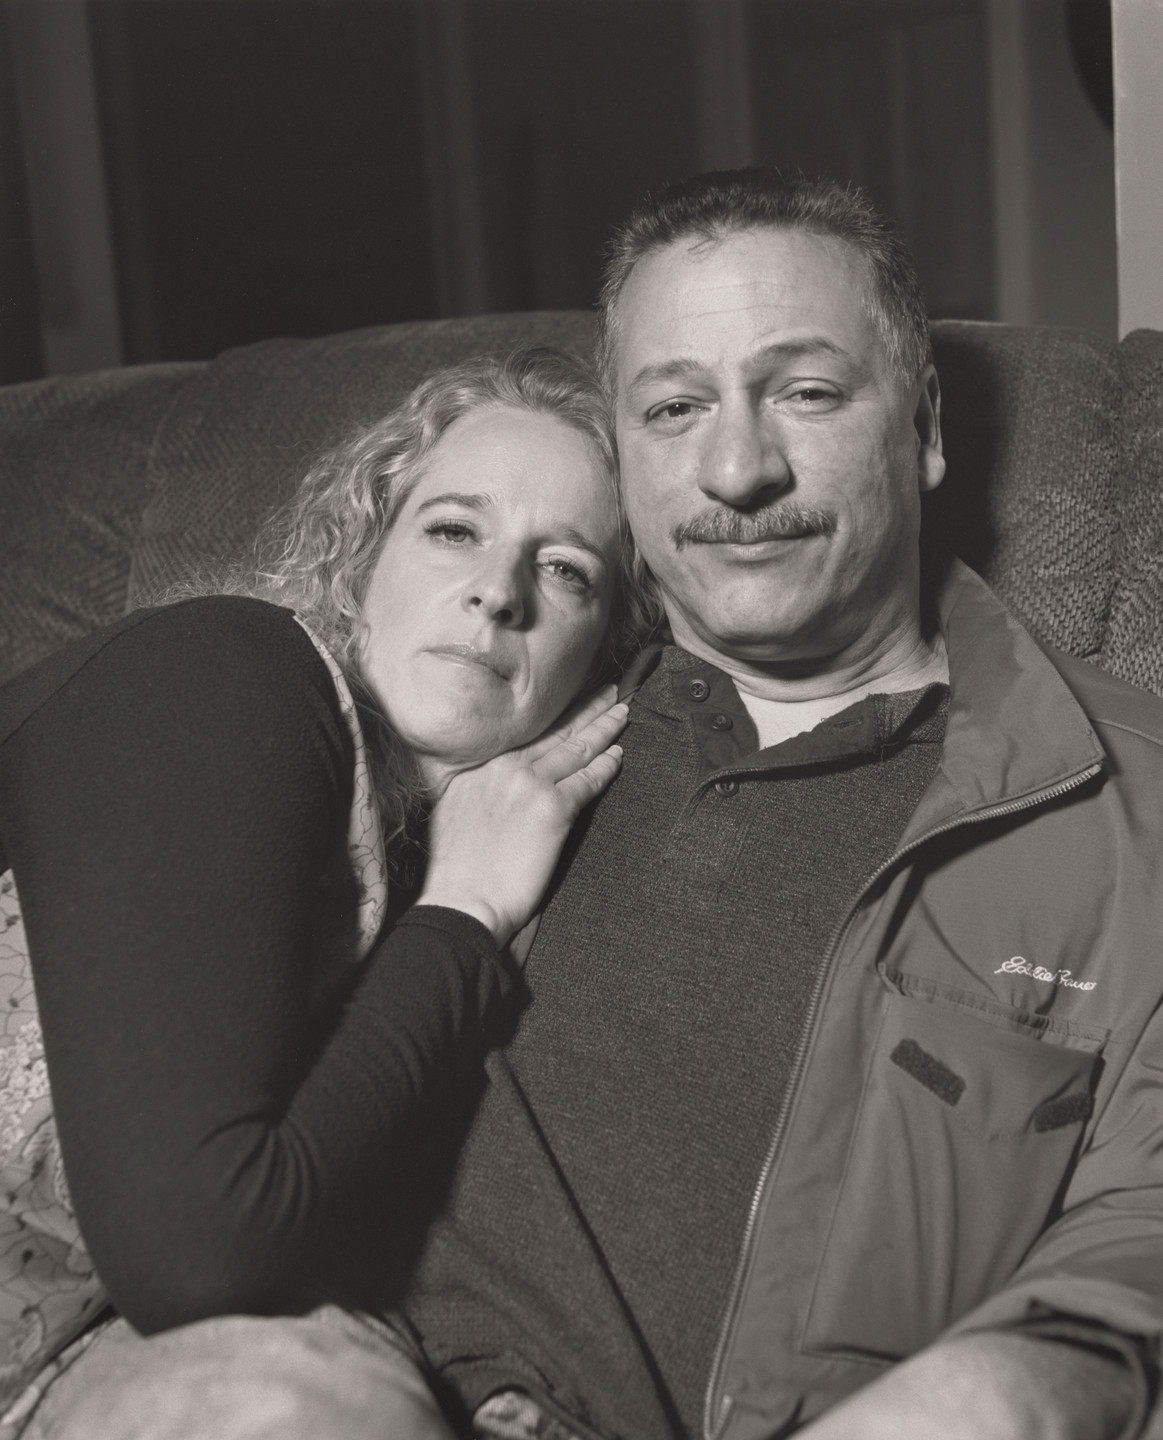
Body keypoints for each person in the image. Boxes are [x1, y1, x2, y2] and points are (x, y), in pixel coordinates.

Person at [11, 171, 1163, 1440]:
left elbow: (1140, 1212)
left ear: (925, 425)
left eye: (804, 391)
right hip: (323, 1352)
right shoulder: (482, 707)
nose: (736, 469)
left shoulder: (1120, 808)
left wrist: (1008, 1386)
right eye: (673, 407)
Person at [0, 347, 643, 1434]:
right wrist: (463, 916)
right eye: (454, 530)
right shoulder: (225, 676)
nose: (499, 591)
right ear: (362, 556)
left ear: (602, 658)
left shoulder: (403, 864)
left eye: (567, 571)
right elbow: (200, 1248)